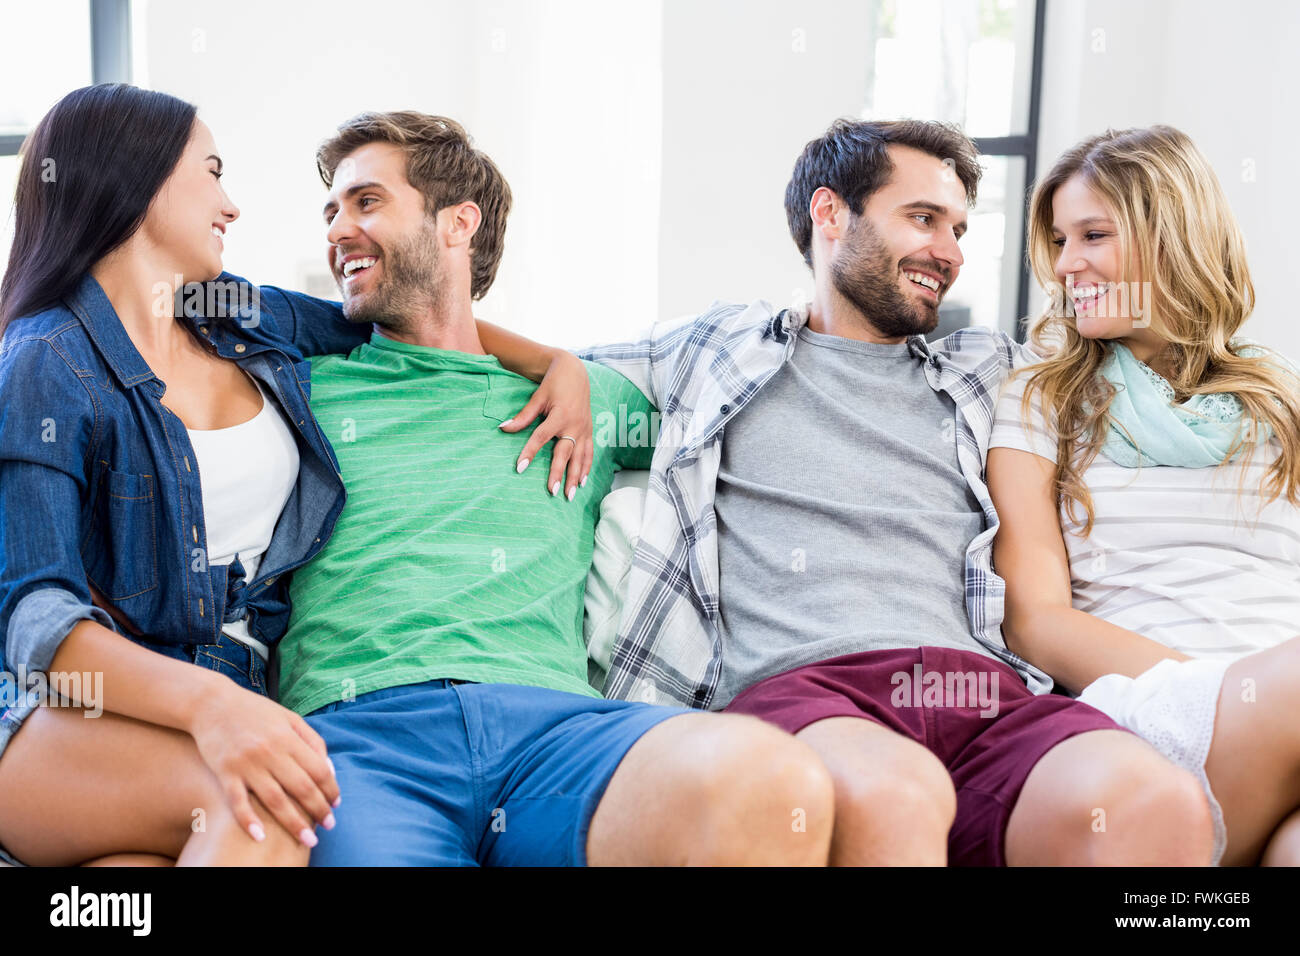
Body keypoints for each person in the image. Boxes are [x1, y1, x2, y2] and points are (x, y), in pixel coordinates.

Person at [580, 118, 1214, 865]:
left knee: (1160, 803)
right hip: (812, 691)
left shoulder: (993, 372)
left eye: (957, 229)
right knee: (898, 796)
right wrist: (554, 371)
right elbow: (533, 370)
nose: (948, 252)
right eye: (922, 219)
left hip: (984, 695)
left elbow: (1146, 346)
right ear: (829, 214)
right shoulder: (718, 348)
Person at [0, 84, 592, 866]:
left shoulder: (239, 317)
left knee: (132, 880)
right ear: (137, 182)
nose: (232, 205)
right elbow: (33, 616)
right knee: (262, 811)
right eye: (210, 172)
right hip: (76, 711)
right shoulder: (42, 359)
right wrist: (211, 707)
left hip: (233, 703)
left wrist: (557, 363)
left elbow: (401, 318)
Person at [274, 110, 835, 866]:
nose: (339, 229)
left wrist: (562, 365)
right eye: (331, 211)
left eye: (366, 202)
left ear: (457, 224)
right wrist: (550, 356)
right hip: (361, 737)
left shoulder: (595, 401)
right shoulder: (297, 395)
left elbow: (743, 404)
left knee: (774, 782)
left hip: (557, 734)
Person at [987, 125, 1300, 867]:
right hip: (1162, 709)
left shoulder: (1278, 399)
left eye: (1093, 234)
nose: (1068, 265)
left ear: (1173, 235)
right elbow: (1034, 621)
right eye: (1060, 241)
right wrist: (1238, 690)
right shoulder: (1040, 397)